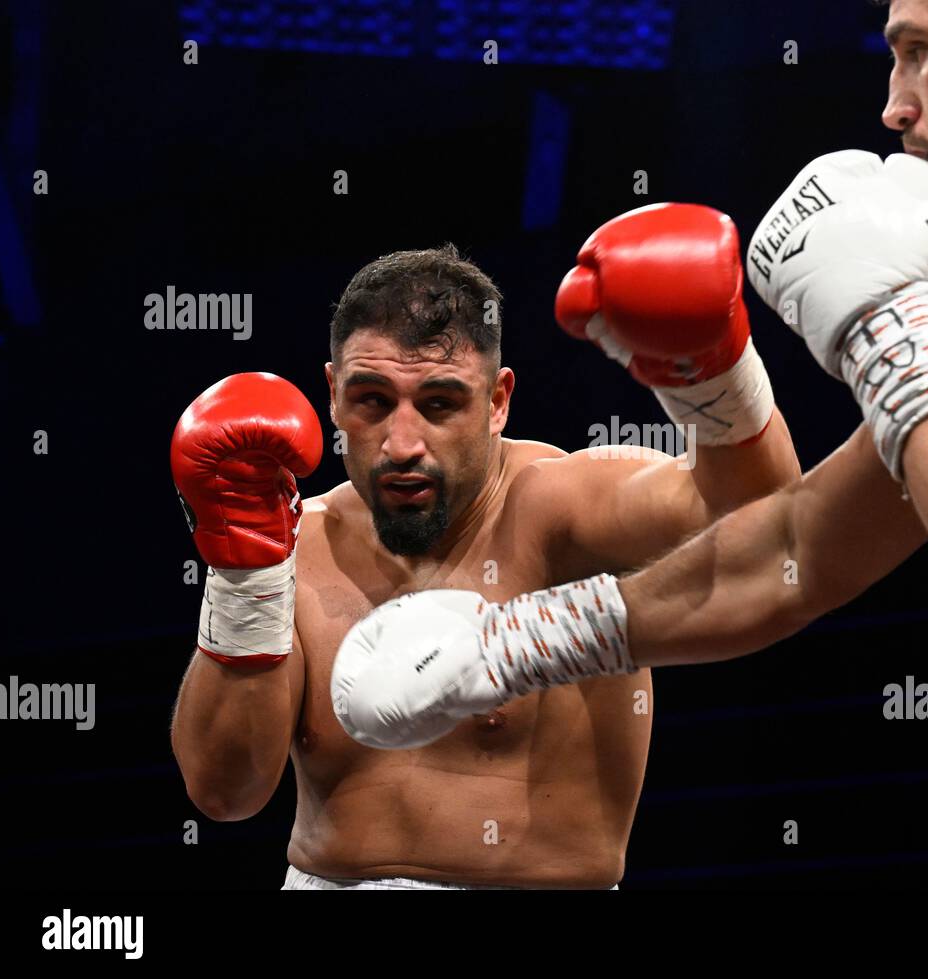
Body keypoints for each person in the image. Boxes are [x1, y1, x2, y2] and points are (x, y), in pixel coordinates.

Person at [336, 0, 928, 889]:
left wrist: (890, 325)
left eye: (916, 51)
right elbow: (794, 551)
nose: (893, 106)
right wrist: (506, 644)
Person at [169, 204, 801, 889]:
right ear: (331, 391)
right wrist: (244, 575)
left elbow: (767, 518)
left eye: (440, 403)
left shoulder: (562, 511)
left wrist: (714, 370)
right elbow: (224, 792)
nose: (402, 444)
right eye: (372, 400)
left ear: (499, 401)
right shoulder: (296, 538)